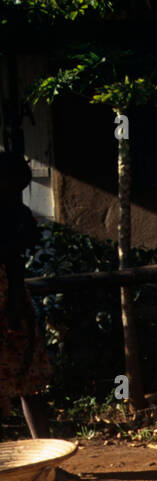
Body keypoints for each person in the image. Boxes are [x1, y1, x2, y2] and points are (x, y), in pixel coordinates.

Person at [0, 151, 51, 438]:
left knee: (30, 381)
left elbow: (19, 254)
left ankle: (45, 461)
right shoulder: (14, 215)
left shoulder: (16, 214)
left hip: (14, 300)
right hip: (11, 299)